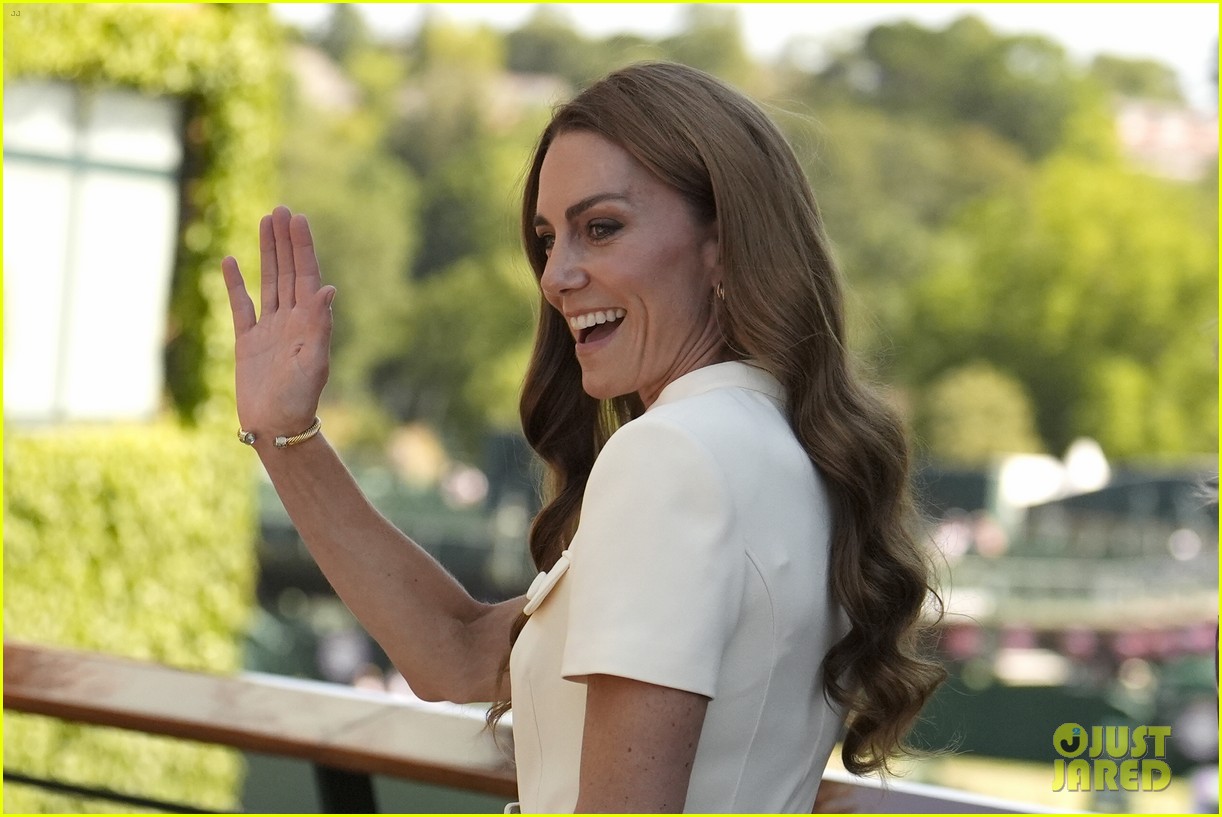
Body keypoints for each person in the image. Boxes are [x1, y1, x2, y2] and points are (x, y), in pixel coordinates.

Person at [220, 61, 944, 813]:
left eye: (600, 228)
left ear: (722, 244)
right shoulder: (781, 451)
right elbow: (457, 653)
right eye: (547, 237)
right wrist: (283, 433)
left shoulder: (671, 456)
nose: (556, 274)